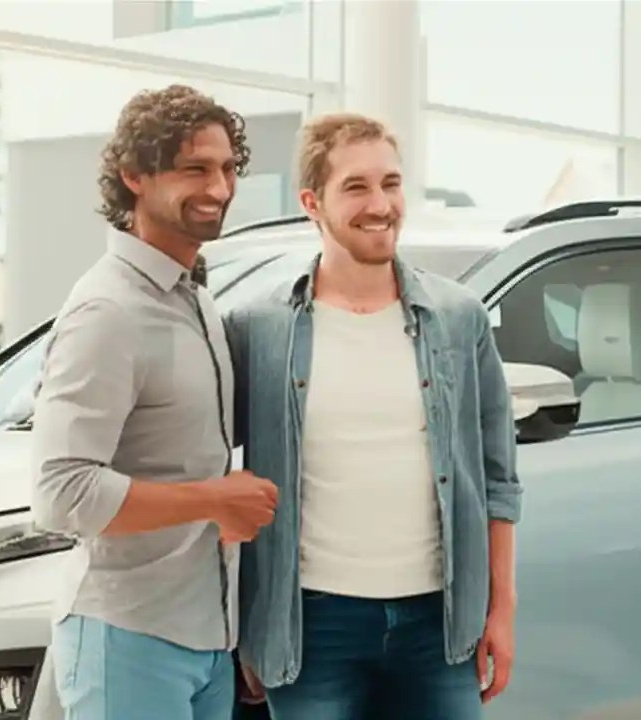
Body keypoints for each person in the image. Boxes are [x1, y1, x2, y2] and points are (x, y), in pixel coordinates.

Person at [223, 112, 521, 720]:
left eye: (391, 182)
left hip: (437, 627)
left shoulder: (459, 319)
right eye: (356, 186)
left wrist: (501, 610)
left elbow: (498, 481)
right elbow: (209, 472)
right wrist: (245, 626)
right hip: (312, 627)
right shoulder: (258, 328)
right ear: (313, 201)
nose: (380, 203)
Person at [30, 84, 280, 720]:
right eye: (194, 168)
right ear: (134, 175)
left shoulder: (194, 298)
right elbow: (62, 493)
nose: (219, 188)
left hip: (205, 642)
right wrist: (215, 499)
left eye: (227, 169)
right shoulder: (108, 310)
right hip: (129, 639)